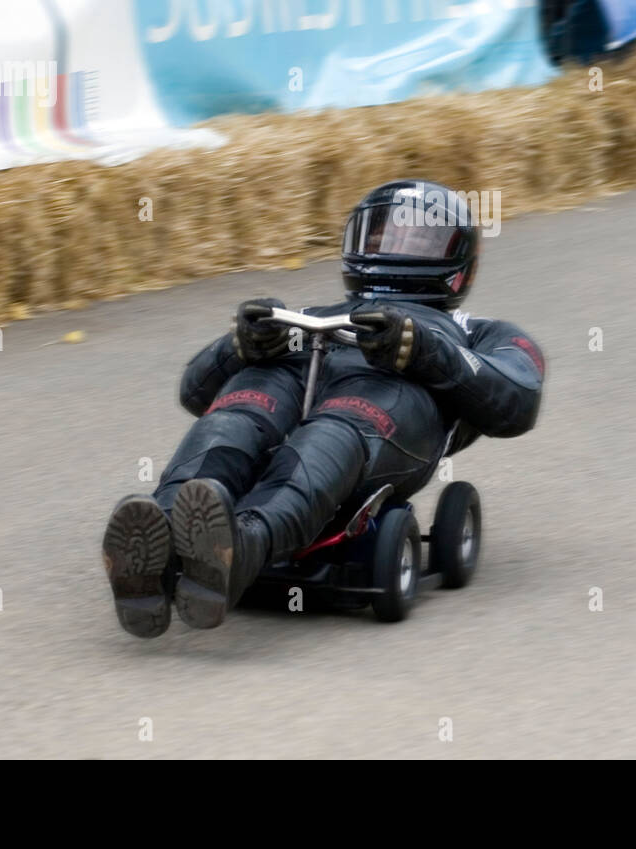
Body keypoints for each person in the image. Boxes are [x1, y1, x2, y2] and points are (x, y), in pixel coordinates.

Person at [100, 179, 546, 638]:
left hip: (390, 412)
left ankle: (245, 543)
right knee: (234, 419)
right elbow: (195, 393)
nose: (393, 245)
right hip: (293, 386)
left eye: (416, 238)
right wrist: (240, 347)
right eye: (381, 235)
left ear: (457, 260)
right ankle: (164, 533)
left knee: (333, 432)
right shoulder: (309, 312)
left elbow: (518, 400)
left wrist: (425, 350)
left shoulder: (476, 331)